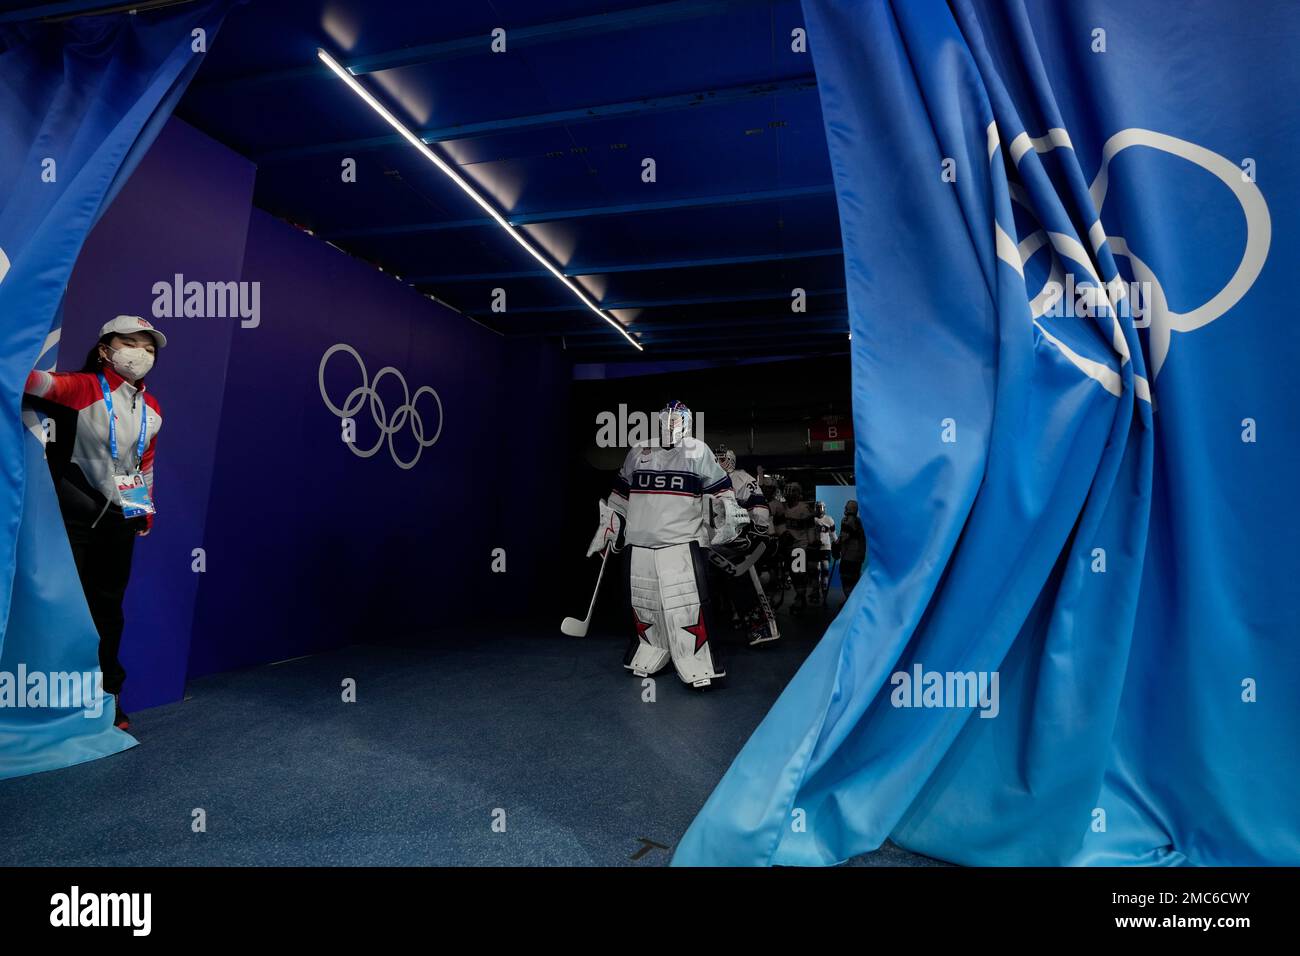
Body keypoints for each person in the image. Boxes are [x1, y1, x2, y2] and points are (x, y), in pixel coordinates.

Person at [23, 315, 166, 731]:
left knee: (108, 612)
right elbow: (28, 382)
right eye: (131, 343)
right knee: (62, 608)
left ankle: (107, 699)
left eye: (149, 347)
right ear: (106, 349)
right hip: (71, 517)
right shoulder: (82, 387)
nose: (141, 353)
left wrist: (144, 507)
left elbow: (144, 460)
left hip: (119, 519)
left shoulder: (152, 406)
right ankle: (49, 704)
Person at [587, 401, 747, 688]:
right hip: (640, 543)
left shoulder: (698, 451)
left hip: (682, 542)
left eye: (678, 419)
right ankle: (651, 650)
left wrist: (727, 514)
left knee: (686, 607)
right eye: (667, 418)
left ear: (687, 422)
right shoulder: (638, 451)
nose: (671, 424)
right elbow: (620, 495)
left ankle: (697, 661)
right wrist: (610, 523)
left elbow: (721, 491)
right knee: (644, 605)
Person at [714, 448, 779, 645]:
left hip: (740, 538)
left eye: (722, 458)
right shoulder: (707, 479)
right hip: (714, 540)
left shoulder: (741, 478)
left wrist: (757, 531)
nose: (717, 461)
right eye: (714, 458)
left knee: (743, 580)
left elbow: (758, 506)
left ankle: (759, 625)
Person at [782, 482, 818, 614]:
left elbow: (810, 527)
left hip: (800, 546)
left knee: (799, 573)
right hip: (788, 545)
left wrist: (811, 543)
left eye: (793, 491)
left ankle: (801, 597)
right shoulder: (783, 507)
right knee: (792, 573)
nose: (789, 494)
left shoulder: (804, 509)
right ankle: (800, 595)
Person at [838, 499, 867, 596]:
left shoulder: (847, 520)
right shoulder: (859, 521)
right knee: (854, 578)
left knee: (846, 579)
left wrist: (836, 545)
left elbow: (844, 537)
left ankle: (848, 602)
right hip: (858, 556)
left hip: (849, 556)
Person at [811, 500, 836, 605]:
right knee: (815, 570)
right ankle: (816, 592)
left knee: (825, 569)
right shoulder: (812, 519)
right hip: (815, 547)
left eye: (821, 507)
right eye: (818, 508)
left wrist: (836, 544)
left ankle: (824, 591)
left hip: (825, 547)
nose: (820, 510)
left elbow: (833, 534)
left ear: (824, 508)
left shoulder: (829, 520)